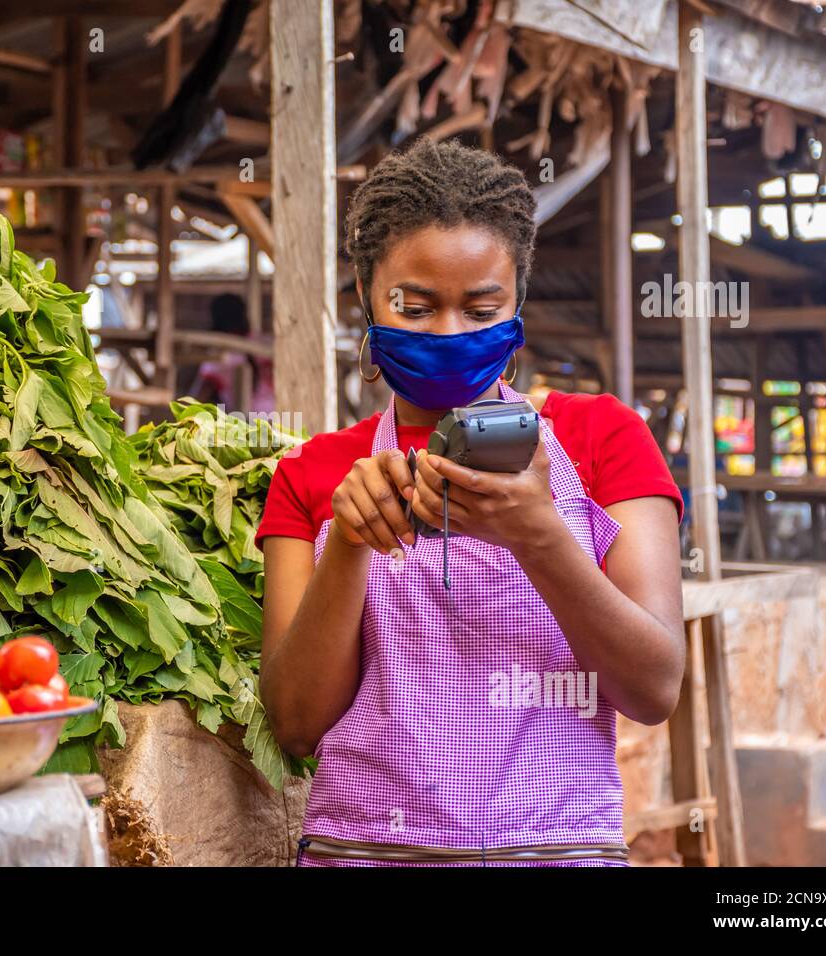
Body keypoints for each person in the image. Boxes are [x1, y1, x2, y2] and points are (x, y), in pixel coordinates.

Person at [256, 139, 685, 867]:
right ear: (366, 296)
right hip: (362, 853)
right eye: (415, 308)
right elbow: (296, 723)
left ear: (517, 301)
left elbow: (653, 686)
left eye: (481, 307)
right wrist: (351, 546)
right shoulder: (315, 473)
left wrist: (539, 535)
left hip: (560, 852)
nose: (450, 332)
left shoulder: (604, 439)